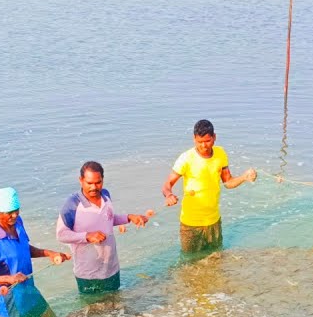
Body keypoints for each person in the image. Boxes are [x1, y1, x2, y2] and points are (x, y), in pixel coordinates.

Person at [0, 187, 71, 317]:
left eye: (17, 210)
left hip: (29, 289)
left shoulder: (17, 222)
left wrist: (49, 253)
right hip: (12, 300)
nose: (14, 215)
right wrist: (11, 278)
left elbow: (23, 249)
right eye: (9, 212)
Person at [162, 119, 257, 255]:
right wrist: (169, 195)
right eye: (200, 142)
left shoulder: (220, 154)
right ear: (194, 139)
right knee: (189, 264)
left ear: (214, 137)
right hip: (191, 225)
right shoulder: (186, 158)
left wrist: (244, 177)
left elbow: (228, 182)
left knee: (216, 260)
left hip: (214, 222)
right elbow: (167, 185)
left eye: (207, 141)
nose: (204, 146)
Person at [56, 161, 152, 296]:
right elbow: (61, 235)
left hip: (111, 268)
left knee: (116, 307)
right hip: (88, 275)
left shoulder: (106, 195)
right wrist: (87, 236)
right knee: (93, 313)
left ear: (103, 180)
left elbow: (108, 218)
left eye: (98, 182)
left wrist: (129, 217)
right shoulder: (72, 204)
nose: (94, 187)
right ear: (81, 180)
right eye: (89, 183)